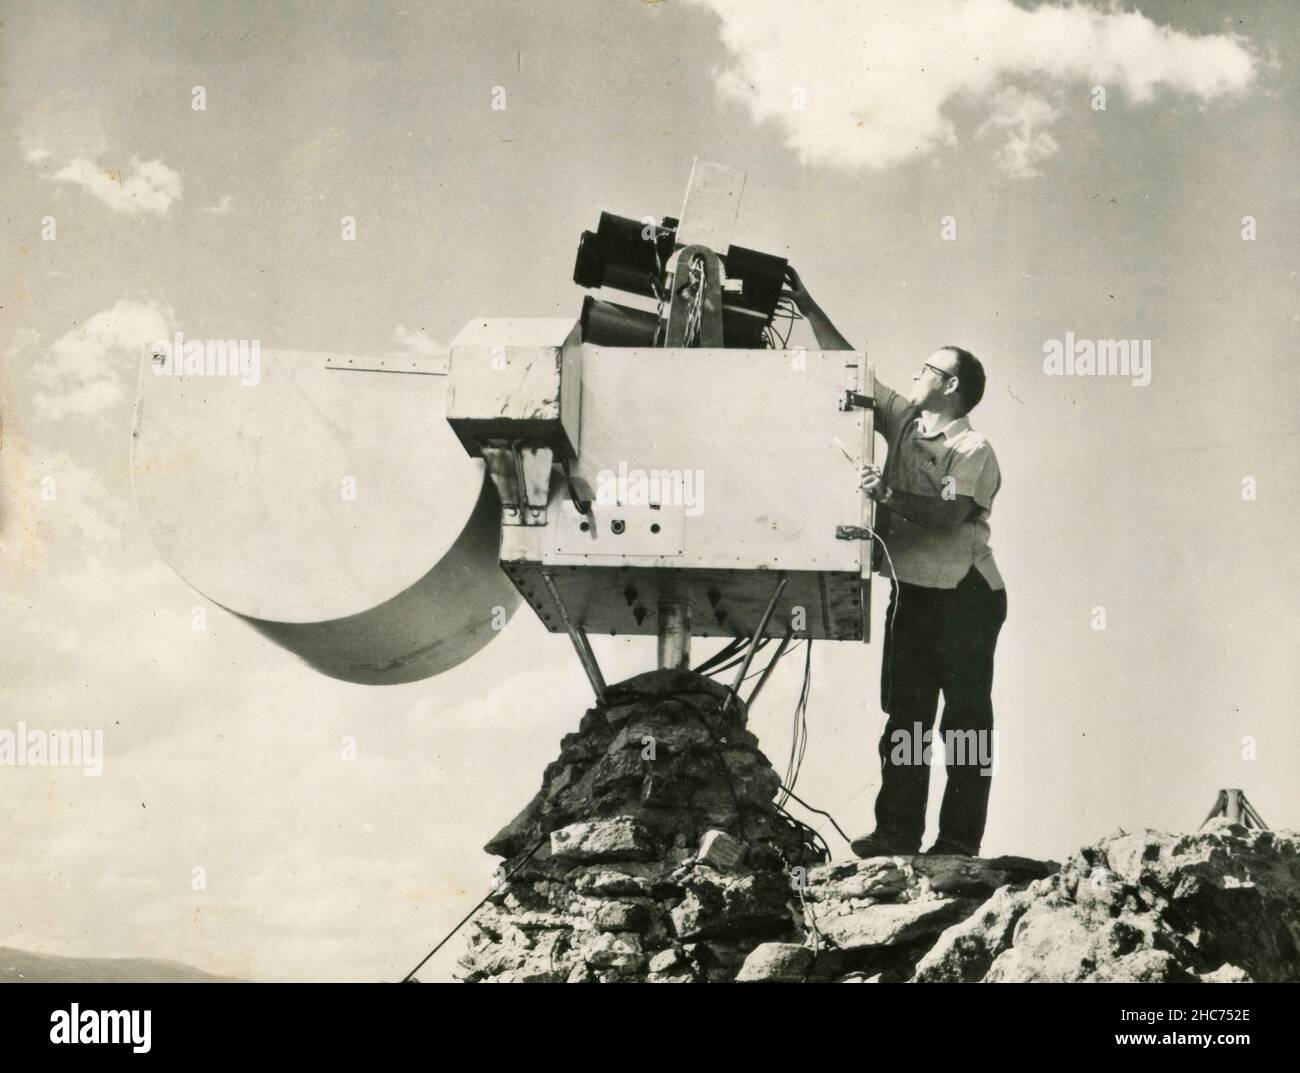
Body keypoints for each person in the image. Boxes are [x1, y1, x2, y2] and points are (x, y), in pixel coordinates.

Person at [784, 266, 1007, 858]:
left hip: (965, 596)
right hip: (913, 592)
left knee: (964, 724)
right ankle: (898, 835)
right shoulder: (906, 418)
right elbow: (850, 365)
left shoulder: (973, 449)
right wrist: (806, 304)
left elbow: (947, 518)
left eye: (929, 369)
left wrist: (886, 497)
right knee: (906, 719)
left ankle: (957, 842)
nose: (917, 373)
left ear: (952, 385)